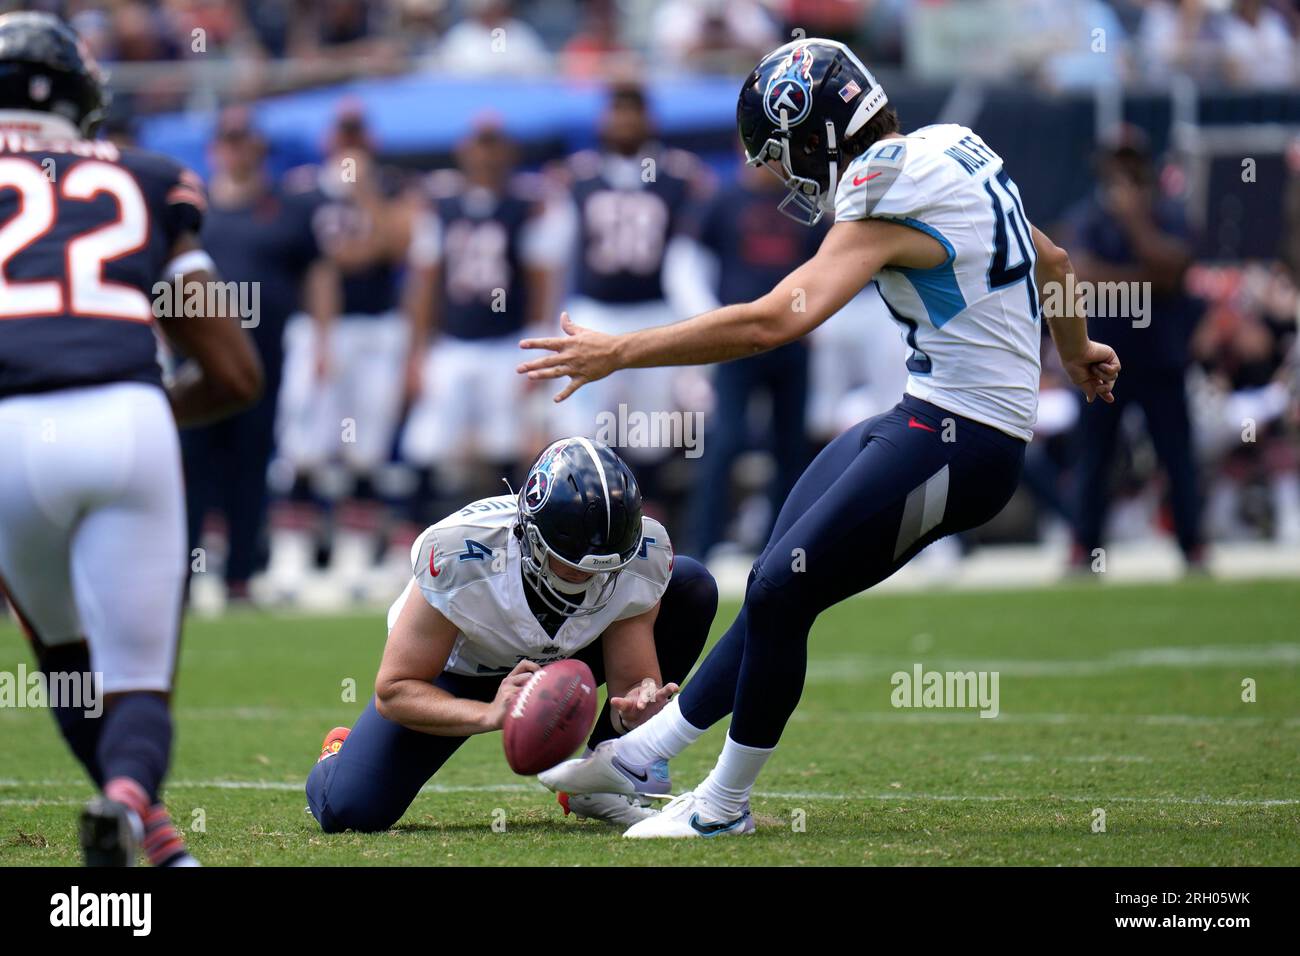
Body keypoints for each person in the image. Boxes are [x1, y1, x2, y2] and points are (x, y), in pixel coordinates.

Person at [520, 39, 1120, 838]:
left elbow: (775, 320)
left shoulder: (887, 189)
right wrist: (1074, 349)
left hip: (965, 441)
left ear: (817, 133)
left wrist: (620, 350)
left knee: (779, 591)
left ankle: (722, 809)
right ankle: (643, 755)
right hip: (929, 409)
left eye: (787, 154)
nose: (790, 175)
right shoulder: (947, 144)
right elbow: (1053, 258)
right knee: (776, 574)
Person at [0, 13, 261, 864]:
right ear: (83, 101)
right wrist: (142, 405)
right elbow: (233, 372)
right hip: (125, 416)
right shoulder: (147, 175)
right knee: (140, 677)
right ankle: (129, 802)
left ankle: (149, 834)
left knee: (68, 657)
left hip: (8, 430)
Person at [306, 439, 718, 831]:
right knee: (349, 808)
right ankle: (341, 751)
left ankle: (604, 777)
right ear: (532, 534)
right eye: (573, 566)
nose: (591, 576)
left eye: (604, 567)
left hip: (566, 656)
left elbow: (629, 685)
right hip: (461, 670)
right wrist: (490, 714)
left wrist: (635, 708)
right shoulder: (462, 553)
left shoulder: (642, 554)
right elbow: (394, 689)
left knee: (690, 586)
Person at [181, 106, 329, 605]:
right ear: (214, 147)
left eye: (245, 139)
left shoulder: (285, 207)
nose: (237, 148)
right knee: (190, 468)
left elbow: (318, 273)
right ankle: (181, 577)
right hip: (198, 359)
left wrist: (323, 341)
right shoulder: (193, 206)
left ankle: (240, 577)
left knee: (251, 466)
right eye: (229, 139)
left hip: (263, 359)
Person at [1063, 126, 1202, 571]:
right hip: (1104, 359)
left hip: (1160, 357)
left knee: (1176, 454)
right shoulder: (1086, 216)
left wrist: (1134, 223)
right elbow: (1078, 279)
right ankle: (1085, 548)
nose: (1124, 171)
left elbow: (1174, 270)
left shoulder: (1167, 212)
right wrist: (1147, 278)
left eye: (1131, 161)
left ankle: (1192, 546)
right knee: (1095, 456)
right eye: (1116, 161)